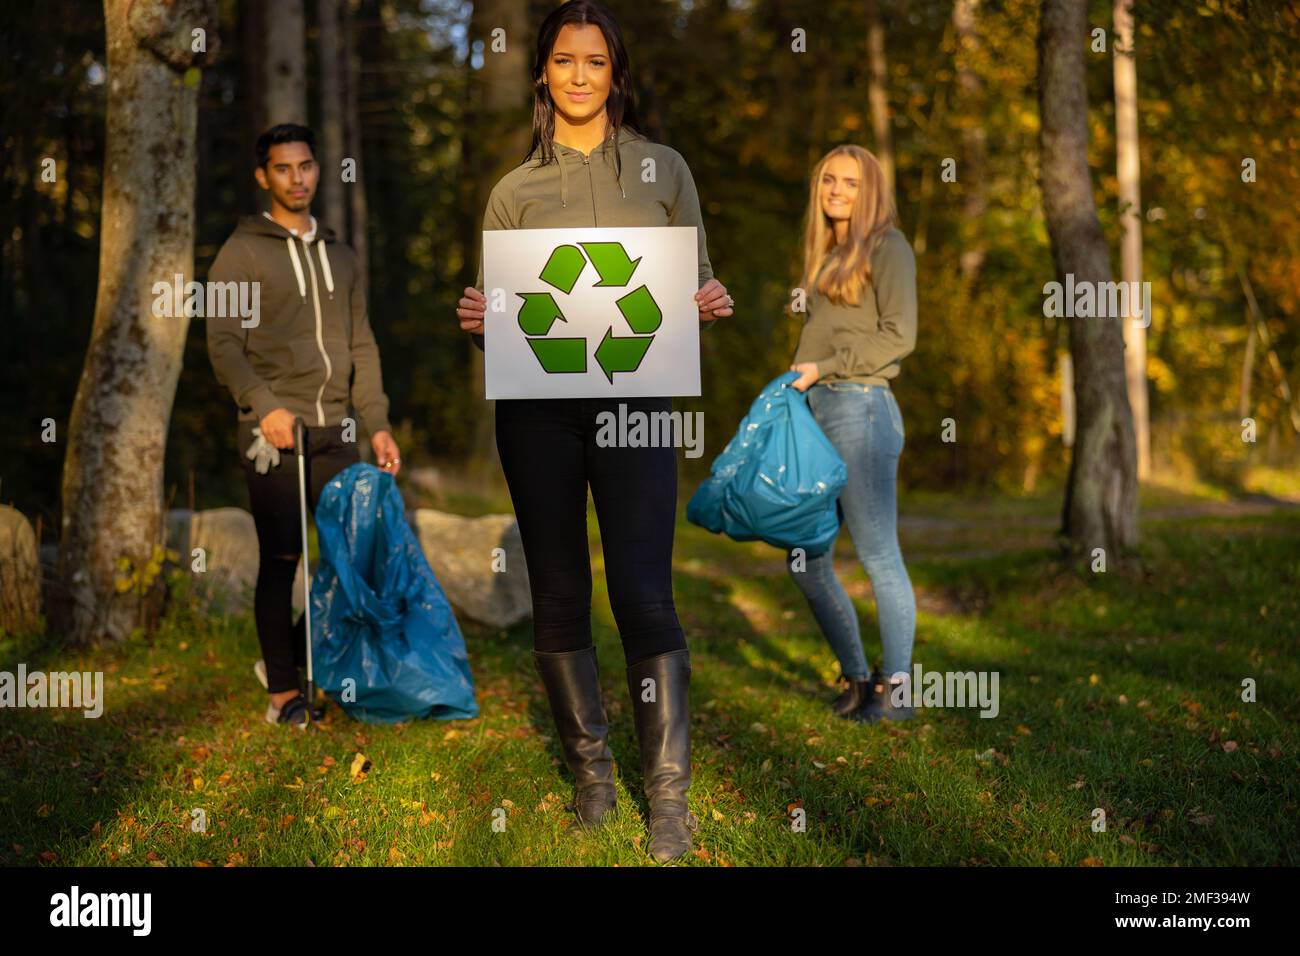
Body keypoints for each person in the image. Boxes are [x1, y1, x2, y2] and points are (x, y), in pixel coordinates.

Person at [455, 0, 732, 862]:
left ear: (617, 73)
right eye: (565, 61)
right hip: (537, 418)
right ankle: (592, 782)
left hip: (638, 406)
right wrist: (479, 316)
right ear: (543, 73)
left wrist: (707, 305)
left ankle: (670, 804)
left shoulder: (664, 170)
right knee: (560, 592)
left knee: (645, 594)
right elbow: (501, 308)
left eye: (596, 62)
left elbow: (698, 282)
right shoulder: (512, 193)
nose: (580, 76)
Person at [207, 123, 401, 728]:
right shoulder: (240, 253)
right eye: (284, 168)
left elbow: (362, 345)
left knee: (351, 555)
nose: (298, 178)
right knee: (283, 558)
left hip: (338, 430)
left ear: (318, 170)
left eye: (307, 166)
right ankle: (285, 697)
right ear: (263, 177)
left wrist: (377, 424)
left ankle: (284, 659)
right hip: (274, 433)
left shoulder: (340, 256)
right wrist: (264, 405)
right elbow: (223, 344)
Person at [786, 144, 918, 723]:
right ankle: (858, 677)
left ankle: (897, 690)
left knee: (877, 554)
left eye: (851, 182)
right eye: (828, 180)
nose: (837, 190)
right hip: (815, 410)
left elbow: (899, 336)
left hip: (862, 409)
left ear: (871, 193)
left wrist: (827, 365)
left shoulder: (889, 248)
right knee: (804, 557)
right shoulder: (826, 257)